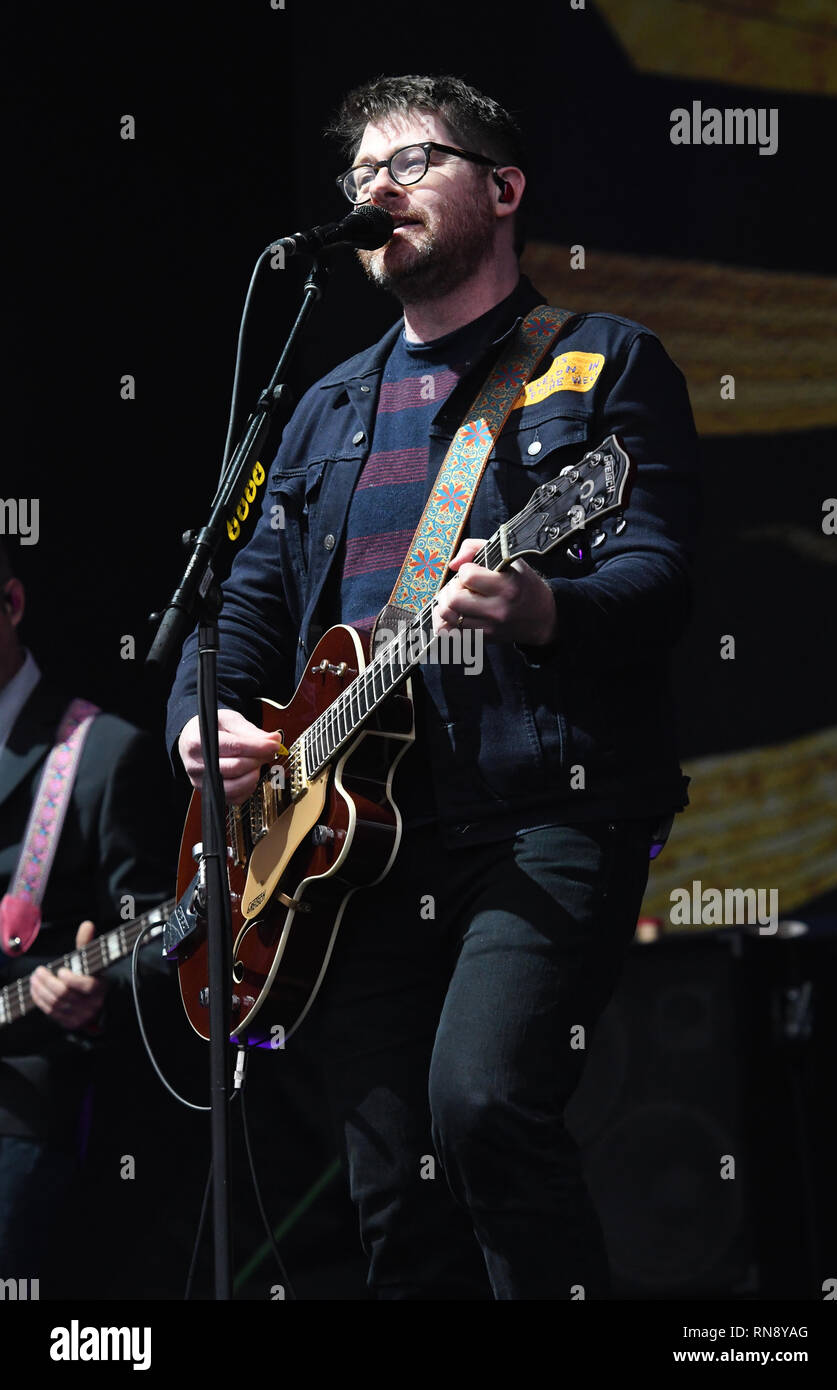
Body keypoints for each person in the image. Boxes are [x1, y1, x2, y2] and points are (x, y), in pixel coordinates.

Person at [166, 74, 701, 1300]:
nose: (374, 191)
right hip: (349, 849)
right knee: (390, 1188)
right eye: (359, 175)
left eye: (410, 164)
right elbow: (240, 611)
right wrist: (211, 727)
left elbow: (661, 576)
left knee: (485, 1102)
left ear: (503, 189)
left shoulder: (599, 363)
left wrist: (549, 605)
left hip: (540, 813)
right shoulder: (318, 410)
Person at [0, 539, 175, 1287]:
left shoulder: (101, 754)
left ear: (10, 605)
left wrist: (101, 995)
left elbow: (163, 935)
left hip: (27, 1109)